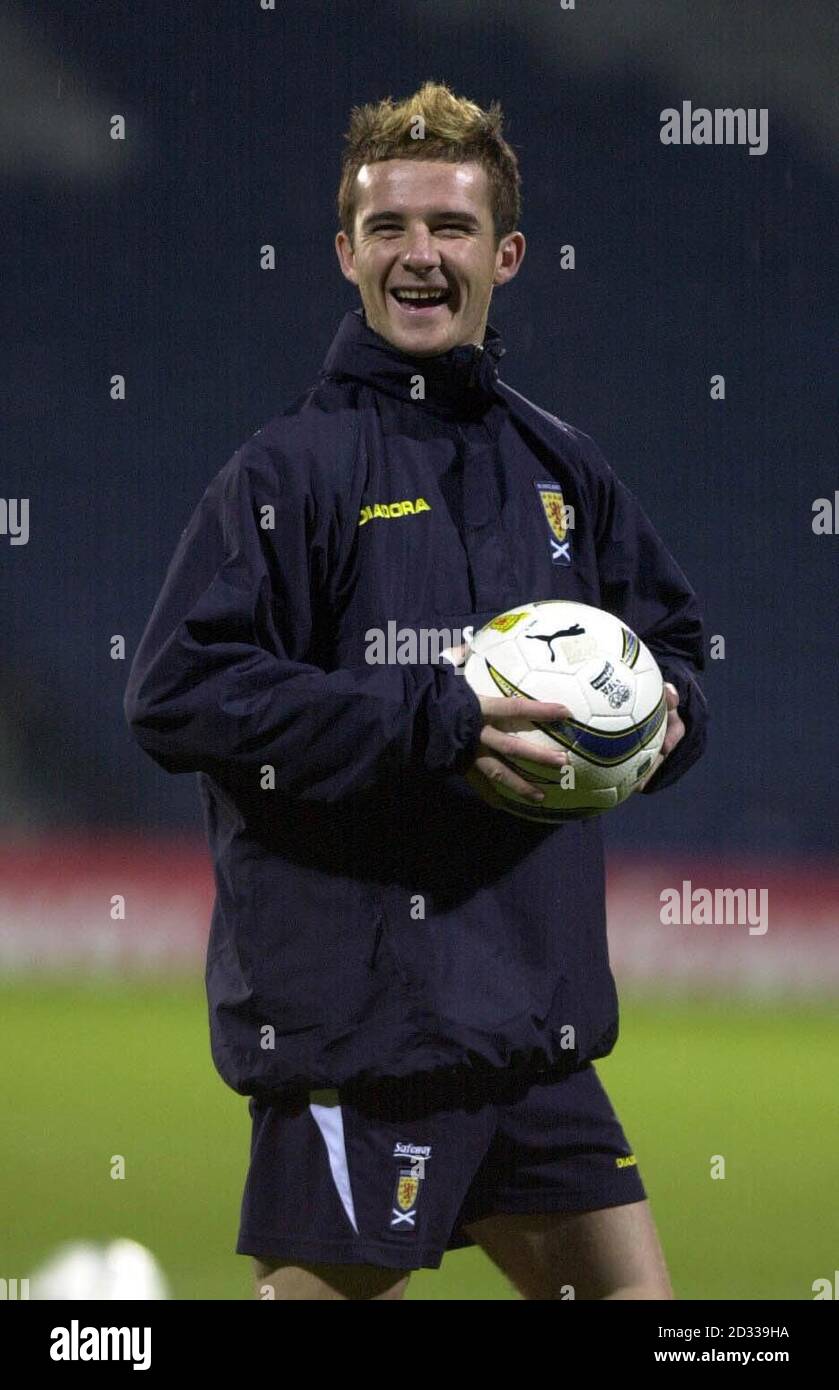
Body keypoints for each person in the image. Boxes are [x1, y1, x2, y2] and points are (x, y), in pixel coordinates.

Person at [124, 80, 708, 1301]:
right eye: (387, 226)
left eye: (450, 225)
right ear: (346, 254)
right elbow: (177, 690)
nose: (419, 253)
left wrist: (663, 721)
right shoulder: (287, 471)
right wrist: (431, 719)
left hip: (532, 1032)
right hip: (365, 1037)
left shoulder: (562, 465)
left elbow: (672, 643)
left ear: (504, 255)